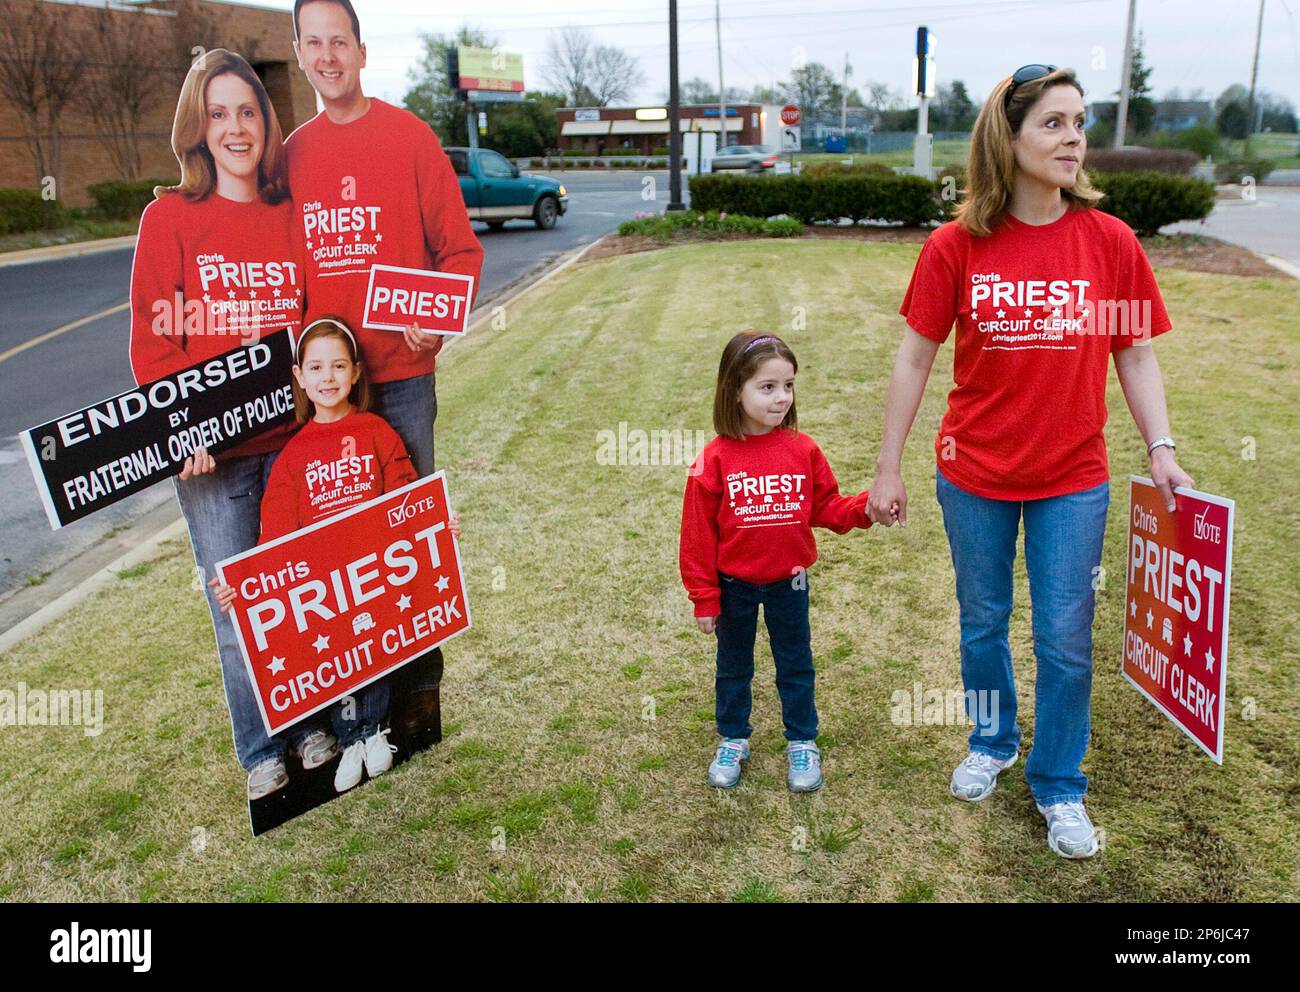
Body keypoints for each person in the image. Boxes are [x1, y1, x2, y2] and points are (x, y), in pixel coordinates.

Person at [868, 65, 1195, 858]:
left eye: (1079, 121)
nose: (1074, 137)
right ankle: (992, 740)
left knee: (1064, 636)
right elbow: (914, 360)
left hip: (1072, 480)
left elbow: (1136, 355)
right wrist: (888, 467)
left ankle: (1059, 783)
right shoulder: (957, 247)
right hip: (972, 472)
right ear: (1007, 140)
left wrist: (1162, 450)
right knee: (983, 623)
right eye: (1053, 123)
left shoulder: (1107, 242)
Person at [128, 49, 334, 801]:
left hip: (289, 440)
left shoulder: (292, 215)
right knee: (233, 602)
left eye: (247, 110)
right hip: (210, 461)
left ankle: (311, 720)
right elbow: (154, 344)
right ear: (197, 128)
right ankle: (260, 749)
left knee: (296, 589)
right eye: (218, 113)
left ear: (266, 122)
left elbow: (314, 322)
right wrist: (181, 431)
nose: (236, 127)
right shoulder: (168, 219)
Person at [285, 0, 485, 738]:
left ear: (362, 53)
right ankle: (353, 705)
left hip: (399, 378)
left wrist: (435, 320)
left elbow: (459, 252)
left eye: (341, 40)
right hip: (323, 395)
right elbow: (272, 271)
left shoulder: (409, 138)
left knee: (407, 540)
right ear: (299, 54)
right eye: (314, 42)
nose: (329, 55)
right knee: (337, 550)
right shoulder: (289, 156)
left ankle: (416, 701)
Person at [211, 318, 457, 792]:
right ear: (300, 377)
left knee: (377, 644)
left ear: (357, 373)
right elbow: (275, 539)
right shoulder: (293, 456)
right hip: (328, 587)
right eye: (317, 367)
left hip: (370, 574)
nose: (328, 378)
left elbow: (404, 495)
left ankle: (376, 730)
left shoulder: (377, 432)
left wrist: (435, 524)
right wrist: (243, 582)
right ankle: (350, 737)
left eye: (338, 366)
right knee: (337, 653)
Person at [680, 331, 872, 793]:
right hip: (734, 586)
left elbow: (825, 508)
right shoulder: (714, 459)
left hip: (791, 583)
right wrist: (705, 597)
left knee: (795, 663)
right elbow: (697, 537)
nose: (782, 397)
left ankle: (802, 741)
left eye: (788, 385)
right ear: (735, 389)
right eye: (767, 387)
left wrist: (866, 509)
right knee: (733, 667)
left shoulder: (802, 450)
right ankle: (733, 737)